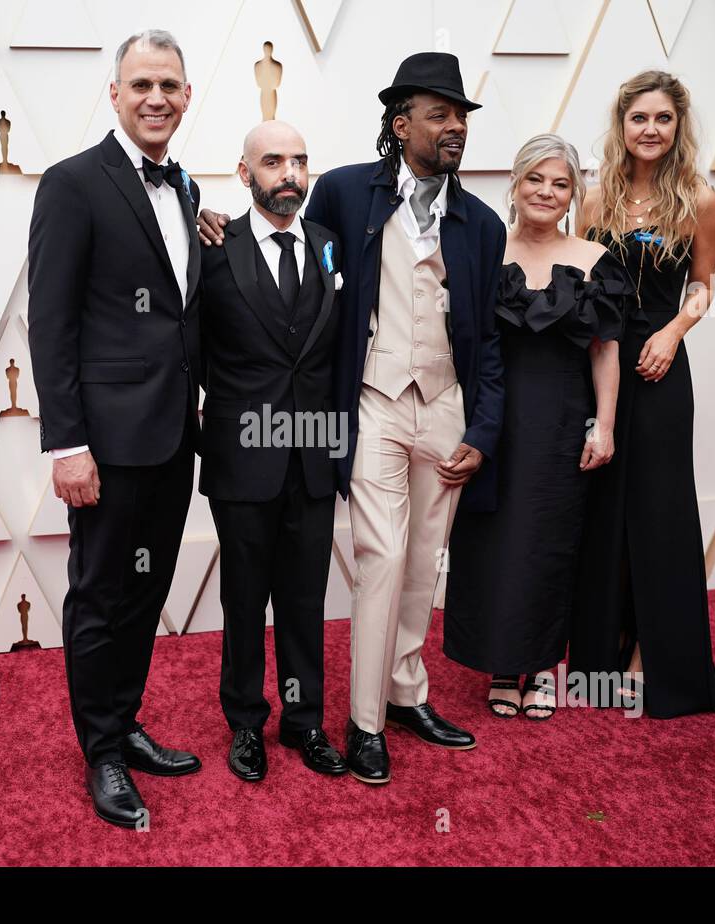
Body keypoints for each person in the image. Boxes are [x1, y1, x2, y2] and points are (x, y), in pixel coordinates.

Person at [200, 52, 506, 785]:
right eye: (440, 114)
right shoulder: (344, 193)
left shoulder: (483, 224)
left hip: (444, 409)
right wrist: (201, 213)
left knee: (423, 564)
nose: (455, 126)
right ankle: (364, 722)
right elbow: (271, 230)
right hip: (368, 404)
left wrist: (481, 429)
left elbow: (488, 339)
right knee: (381, 558)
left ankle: (404, 695)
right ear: (402, 126)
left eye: (462, 115)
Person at [27, 30, 203, 830]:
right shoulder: (72, 184)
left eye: (169, 84)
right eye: (141, 85)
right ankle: (100, 751)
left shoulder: (190, 191)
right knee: (99, 596)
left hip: (175, 437)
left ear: (187, 96)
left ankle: (125, 720)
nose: (156, 97)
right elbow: (50, 323)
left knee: (145, 591)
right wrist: (66, 444)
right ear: (115, 94)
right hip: (105, 441)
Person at [571, 70, 715, 716]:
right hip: (600, 367)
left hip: (659, 369)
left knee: (659, 513)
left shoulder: (699, 199)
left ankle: (649, 656)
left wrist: (675, 331)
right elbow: (580, 283)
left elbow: (705, 285)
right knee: (604, 511)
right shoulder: (595, 200)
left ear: (678, 127)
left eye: (662, 119)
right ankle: (598, 656)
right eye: (638, 119)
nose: (649, 130)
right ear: (621, 126)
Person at [443, 134, 631, 721]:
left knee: (551, 543)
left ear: (573, 194)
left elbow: (606, 350)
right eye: (536, 180)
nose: (546, 193)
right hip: (493, 419)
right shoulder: (485, 251)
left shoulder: (595, 259)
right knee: (496, 541)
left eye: (561, 184)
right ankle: (503, 663)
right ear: (516, 184)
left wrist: (603, 425)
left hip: (561, 420)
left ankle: (545, 664)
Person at [198, 120, 348, 782]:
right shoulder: (214, 247)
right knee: (242, 599)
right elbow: (191, 351)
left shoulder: (327, 248)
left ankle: (305, 720)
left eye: (300, 161)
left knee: (305, 598)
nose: (289, 172)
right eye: (274, 161)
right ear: (244, 172)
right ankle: (245, 724)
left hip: (313, 454)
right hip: (241, 455)